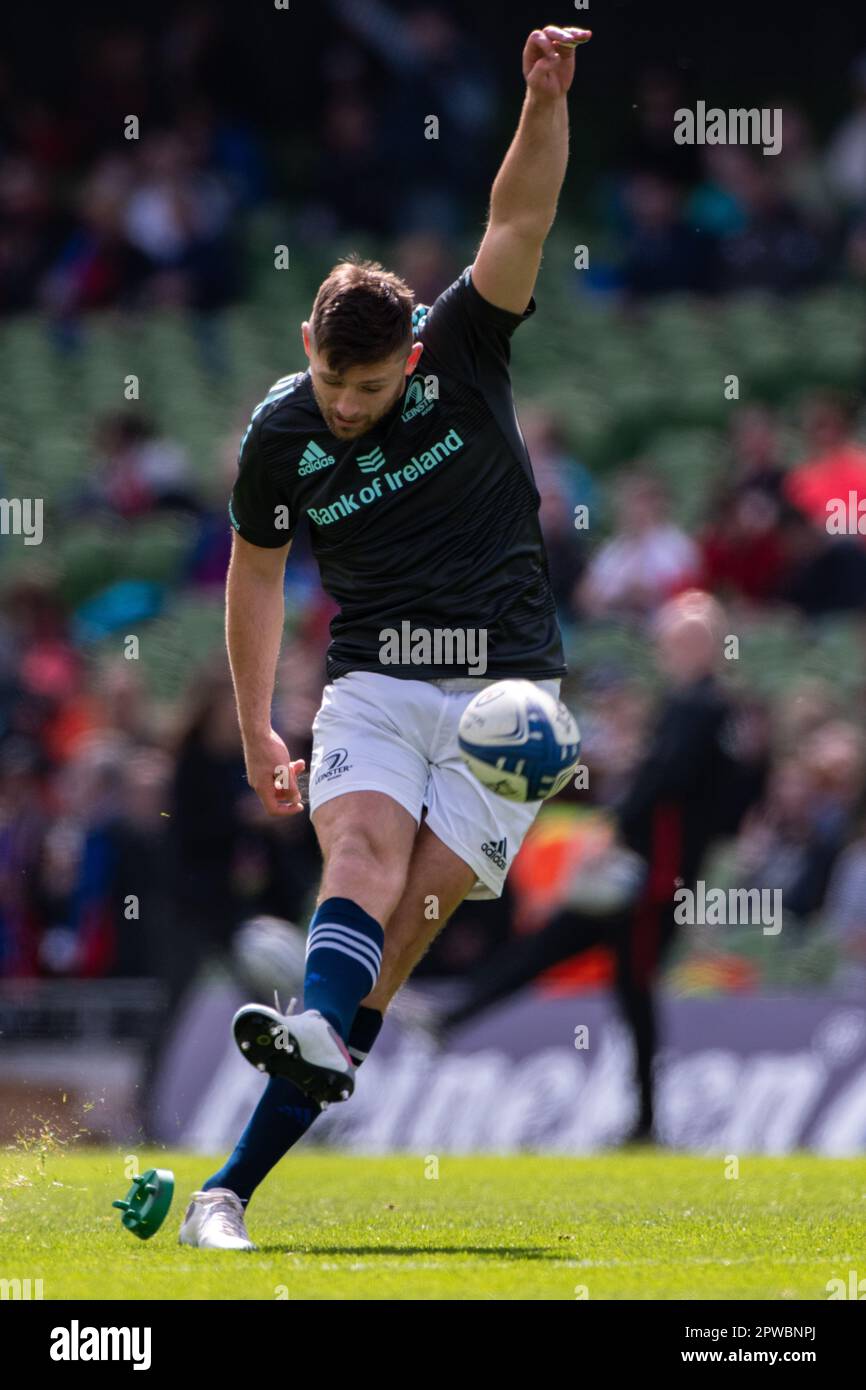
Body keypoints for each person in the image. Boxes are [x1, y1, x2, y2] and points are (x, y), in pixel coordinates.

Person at [179, 23, 592, 1251]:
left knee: (387, 952)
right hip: (370, 675)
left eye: (368, 392)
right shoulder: (278, 435)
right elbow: (256, 579)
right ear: (308, 346)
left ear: (407, 358)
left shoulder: (459, 350)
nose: (346, 413)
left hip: (506, 694)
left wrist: (542, 96)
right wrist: (257, 722)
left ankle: (228, 1184)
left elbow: (516, 218)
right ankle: (229, 1185)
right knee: (354, 849)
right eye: (331, 387)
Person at [431, 592, 768, 1144]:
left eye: (681, 637)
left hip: (649, 878)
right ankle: (458, 1014)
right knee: (587, 963)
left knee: (613, 975)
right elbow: (718, 796)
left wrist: (613, 826)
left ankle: (459, 1015)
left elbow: (669, 784)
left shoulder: (699, 707)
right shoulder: (705, 709)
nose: (669, 648)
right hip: (650, 874)